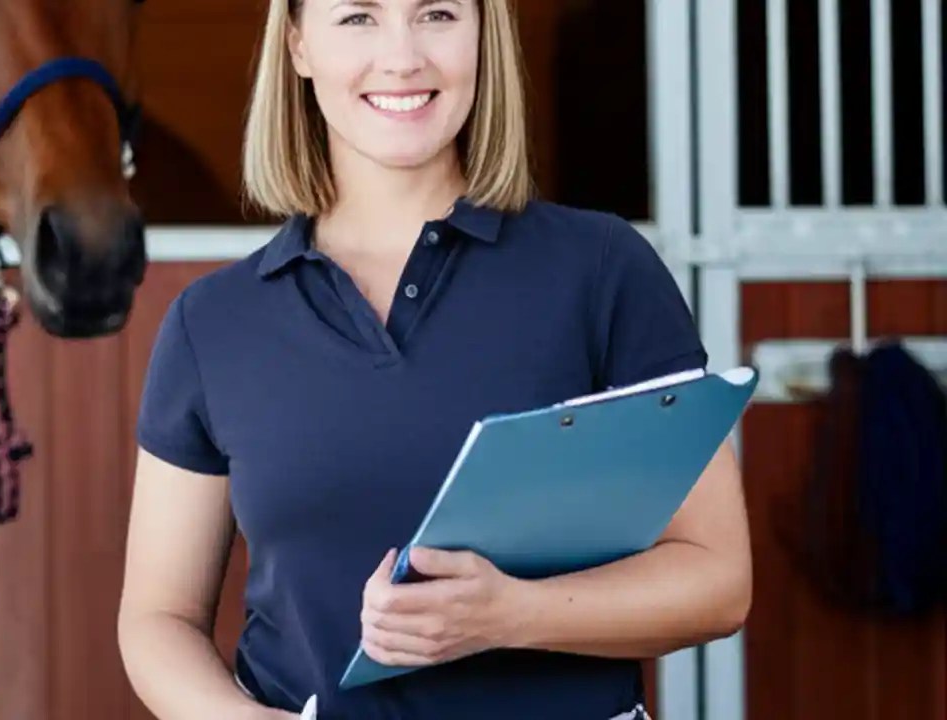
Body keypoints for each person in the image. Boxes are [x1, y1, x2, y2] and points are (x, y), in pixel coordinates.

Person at [116, 0, 753, 717]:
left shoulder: (603, 271)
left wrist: (511, 614)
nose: (402, 56)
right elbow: (157, 618)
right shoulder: (213, 323)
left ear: (484, 35)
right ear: (297, 44)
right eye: (358, 17)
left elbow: (717, 580)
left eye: (438, 14)